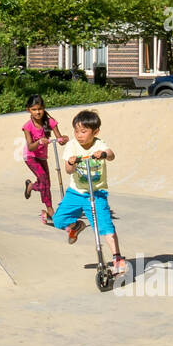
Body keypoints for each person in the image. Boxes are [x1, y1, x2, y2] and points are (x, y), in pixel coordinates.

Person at [52, 109, 126, 274]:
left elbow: (112, 155)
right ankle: (76, 225)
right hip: (76, 193)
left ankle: (117, 258)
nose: (79, 135)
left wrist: (104, 154)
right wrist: (71, 162)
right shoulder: (71, 146)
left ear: (95, 132)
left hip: (97, 194)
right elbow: (68, 171)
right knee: (58, 220)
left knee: (105, 226)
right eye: (76, 131)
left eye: (84, 131)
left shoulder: (99, 144)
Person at [21, 95, 67, 226]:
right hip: (30, 156)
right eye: (34, 109)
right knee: (44, 180)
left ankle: (31, 186)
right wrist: (39, 141)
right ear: (28, 110)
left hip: (42, 157)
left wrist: (63, 139)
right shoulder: (27, 126)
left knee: (46, 183)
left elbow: (59, 139)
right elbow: (30, 146)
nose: (37, 112)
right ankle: (50, 209)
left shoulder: (50, 121)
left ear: (44, 108)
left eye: (40, 109)